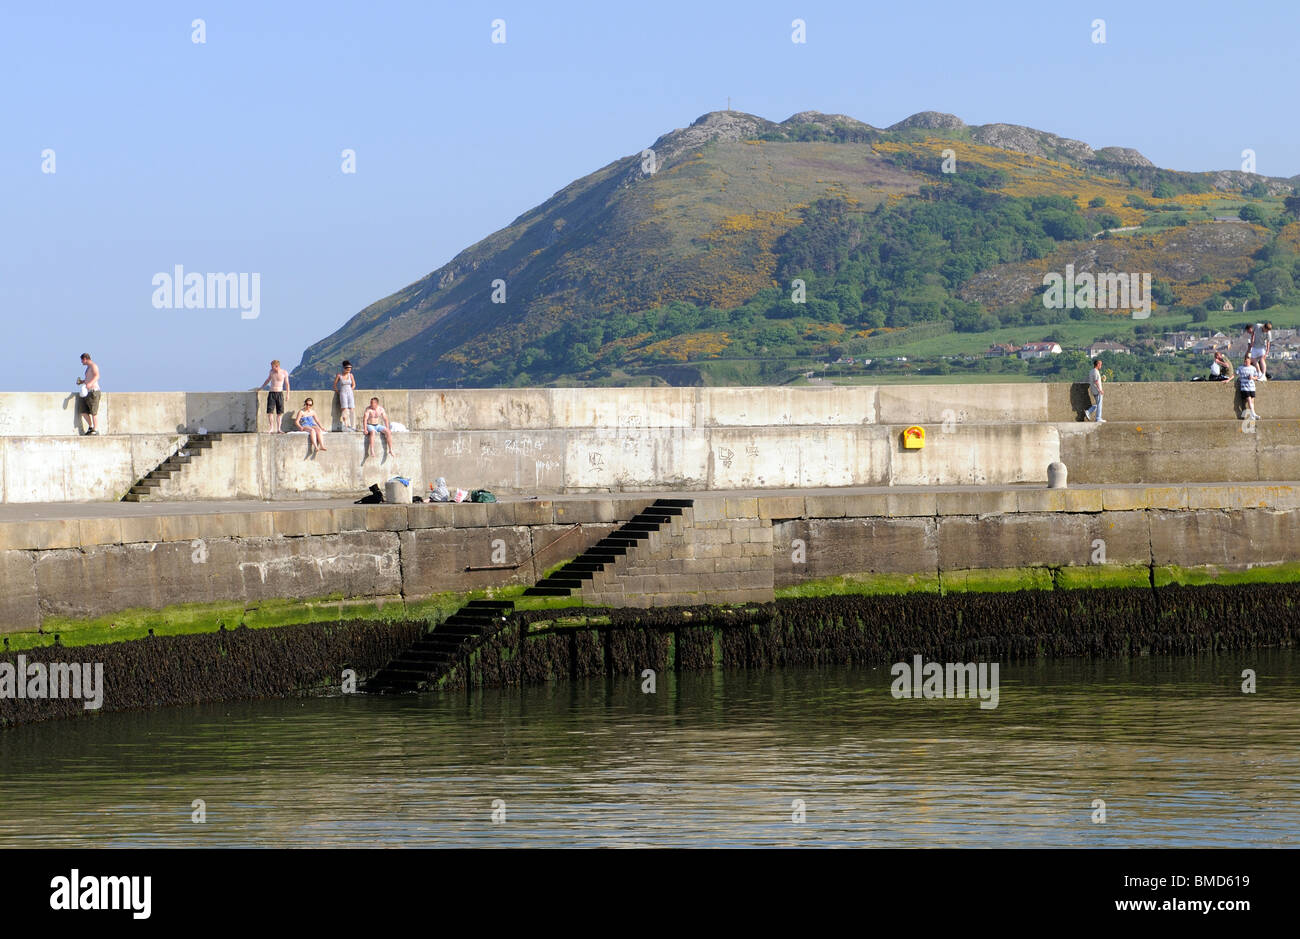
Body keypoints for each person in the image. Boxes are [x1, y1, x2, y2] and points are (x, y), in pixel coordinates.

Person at [260, 359, 291, 433]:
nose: (271, 368)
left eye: (273, 366)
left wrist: (288, 394)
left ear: (277, 366)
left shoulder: (284, 372)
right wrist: (261, 387)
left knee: (279, 412)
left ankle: (279, 429)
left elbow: (287, 384)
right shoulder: (271, 372)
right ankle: (271, 428)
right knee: (270, 412)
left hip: (279, 393)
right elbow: (268, 380)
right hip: (272, 393)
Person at [76, 353, 101, 435]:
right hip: (87, 392)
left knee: (93, 412)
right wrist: (82, 382)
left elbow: (97, 376)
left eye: (82, 360)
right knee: (83, 411)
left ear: (85, 359)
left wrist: (90, 383)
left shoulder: (93, 366)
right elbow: (89, 378)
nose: (81, 362)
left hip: (94, 391)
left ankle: (95, 429)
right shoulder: (88, 368)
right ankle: (90, 427)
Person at [333, 360, 357, 431]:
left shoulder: (351, 375)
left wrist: (351, 389)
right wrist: (338, 392)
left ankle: (352, 425)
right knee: (344, 409)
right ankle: (345, 425)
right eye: (347, 369)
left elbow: (354, 384)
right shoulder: (339, 375)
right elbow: (335, 385)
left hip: (350, 392)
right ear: (344, 368)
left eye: (350, 369)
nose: (349, 370)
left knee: (352, 408)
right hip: (343, 392)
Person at [1236, 354, 1261, 420]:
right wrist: (1229, 380)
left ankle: (1252, 415)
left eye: (1247, 361)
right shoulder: (1240, 368)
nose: (1246, 362)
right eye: (1245, 361)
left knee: (1252, 402)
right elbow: (1235, 374)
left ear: (1250, 361)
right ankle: (1253, 414)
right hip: (1244, 387)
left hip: (1252, 387)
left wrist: (1252, 378)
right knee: (1249, 401)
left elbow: (1256, 377)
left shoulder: (1253, 368)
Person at [1085, 358, 1105, 423]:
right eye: (1100, 364)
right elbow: (1096, 381)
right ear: (1098, 364)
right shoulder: (1096, 372)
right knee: (1099, 404)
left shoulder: (1091, 371)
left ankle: (1089, 411)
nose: (1101, 366)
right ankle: (1098, 418)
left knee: (1098, 404)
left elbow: (1093, 380)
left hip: (1093, 390)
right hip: (1097, 390)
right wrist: (1100, 390)